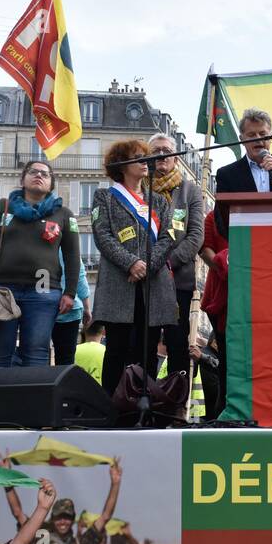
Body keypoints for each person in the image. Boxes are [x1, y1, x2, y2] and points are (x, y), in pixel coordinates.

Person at [0, 160, 80, 379]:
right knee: (0, 352)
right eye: (33, 172)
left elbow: (72, 255)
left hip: (44, 293)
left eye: (45, 174)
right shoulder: (3, 206)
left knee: (36, 351)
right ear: (23, 179)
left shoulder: (64, 214)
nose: (39, 176)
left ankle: (32, 407)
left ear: (51, 184)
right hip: (3, 292)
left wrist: (70, 292)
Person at [91, 140, 177, 396]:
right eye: (138, 157)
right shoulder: (104, 197)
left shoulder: (158, 202)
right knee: (116, 347)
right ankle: (112, 405)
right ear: (121, 164)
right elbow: (102, 235)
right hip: (120, 282)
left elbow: (168, 236)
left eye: (146, 157)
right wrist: (130, 262)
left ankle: (145, 404)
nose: (146, 162)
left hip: (153, 284)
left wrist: (147, 266)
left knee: (148, 348)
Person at [148, 133, 205, 381]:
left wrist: (168, 263)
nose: (162, 156)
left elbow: (196, 236)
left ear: (177, 158)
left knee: (177, 343)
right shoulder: (140, 188)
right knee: (145, 343)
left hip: (177, 280)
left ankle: (176, 403)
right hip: (145, 280)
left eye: (166, 151)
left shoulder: (190, 191)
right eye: (156, 151)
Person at [214, 109, 272, 193]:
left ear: (271, 137)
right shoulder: (227, 174)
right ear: (242, 139)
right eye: (251, 135)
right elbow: (221, 212)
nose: (258, 139)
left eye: (263, 134)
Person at [199, 210, 229, 417]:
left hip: (253, 291)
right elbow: (204, 249)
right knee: (226, 357)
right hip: (221, 292)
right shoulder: (212, 217)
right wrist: (224, 266)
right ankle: (225, 409)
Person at [51, 256, 92, 367]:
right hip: (69, 309)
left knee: (38, 356)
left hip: (40, 306)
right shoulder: (68, 246)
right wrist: (87, 309)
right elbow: (80, 277)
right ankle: (63, 384)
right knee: (65, 360)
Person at [75, 321, 107, 385]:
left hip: (76, 391)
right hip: (101, 392)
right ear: (104, 332)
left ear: (83, 331)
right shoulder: (107, 352)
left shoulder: (73, 351)